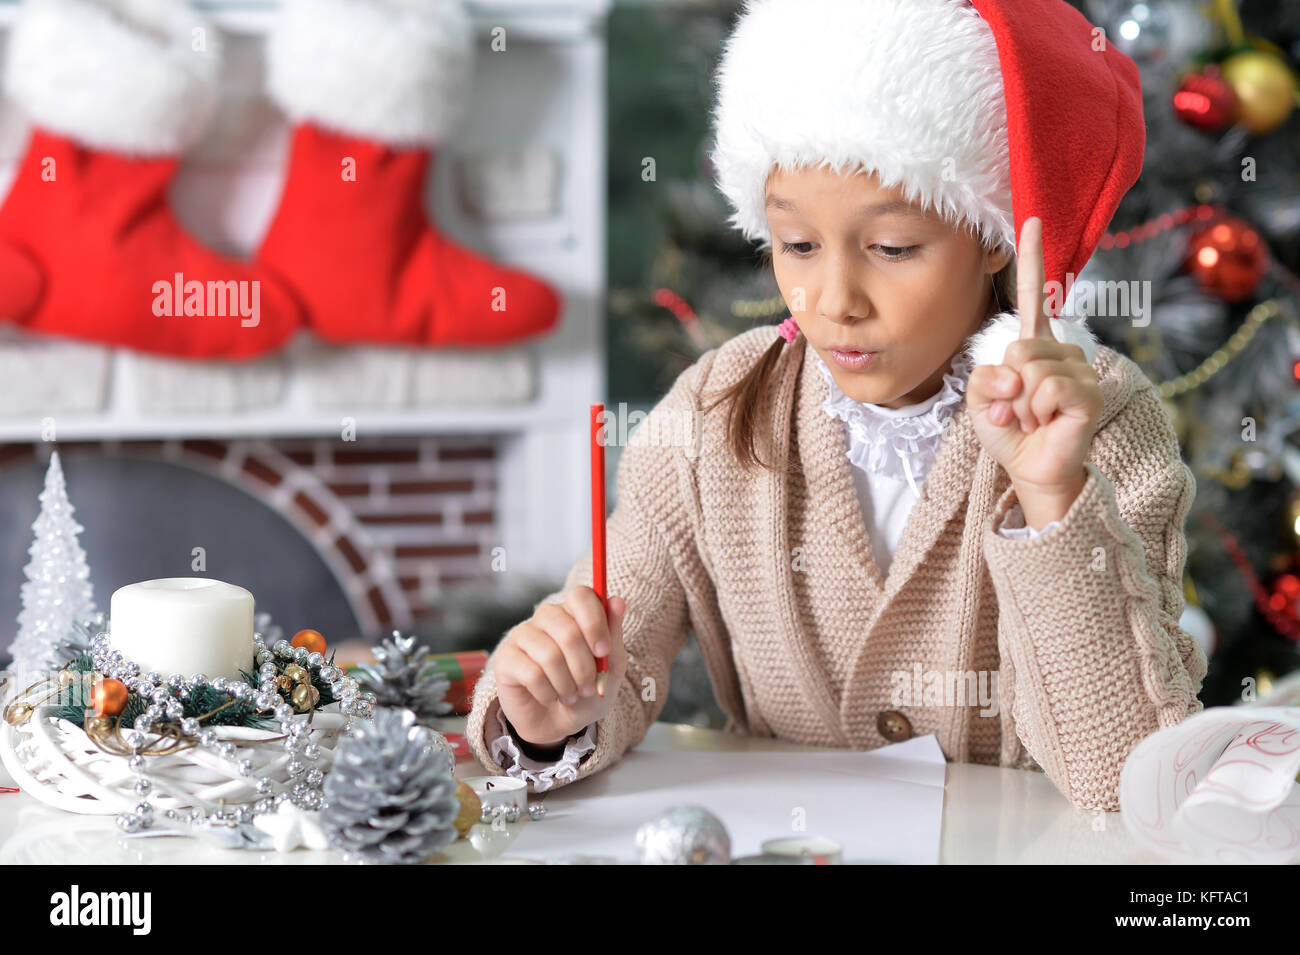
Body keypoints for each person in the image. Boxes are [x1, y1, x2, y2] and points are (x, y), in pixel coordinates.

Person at [466, 0, 1206, 812]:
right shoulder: (711, 414)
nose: (835, 300)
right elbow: (616, 661)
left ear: (995, 233)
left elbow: (1128, 778)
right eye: (798, 246)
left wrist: (1053, 502)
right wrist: (546, 719)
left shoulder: (1096, 419)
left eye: (892, 248)